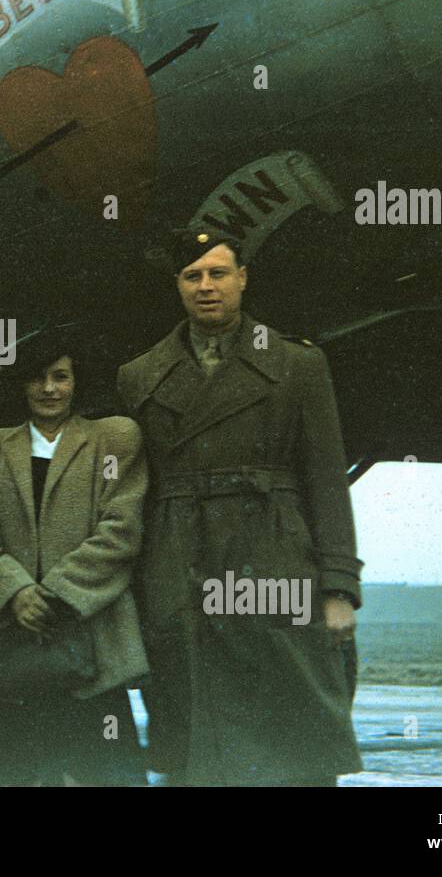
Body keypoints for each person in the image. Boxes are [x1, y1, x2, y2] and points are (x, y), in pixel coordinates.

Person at [116, 228, 363, 786]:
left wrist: (339, 588)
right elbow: (132, 495)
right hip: (179, 567)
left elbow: (326, 480)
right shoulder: (138, 376)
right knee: (193, 739)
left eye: (218, 273)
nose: (207, 287)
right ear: (178, 287)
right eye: (192, 276)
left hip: (276, 561)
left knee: (291, 737)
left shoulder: (298, 364)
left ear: (243, 279)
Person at [0, 329, 150, 786]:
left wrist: (59, 593)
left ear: (77, 381)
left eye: (60, 377)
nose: (49, 389)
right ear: (20, 385)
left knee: (104, 775)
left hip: (94, 638)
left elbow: (121, 527)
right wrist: (14, 592)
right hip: (9, 642)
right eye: (36, 378)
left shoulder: (115, 439)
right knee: (11, 776)